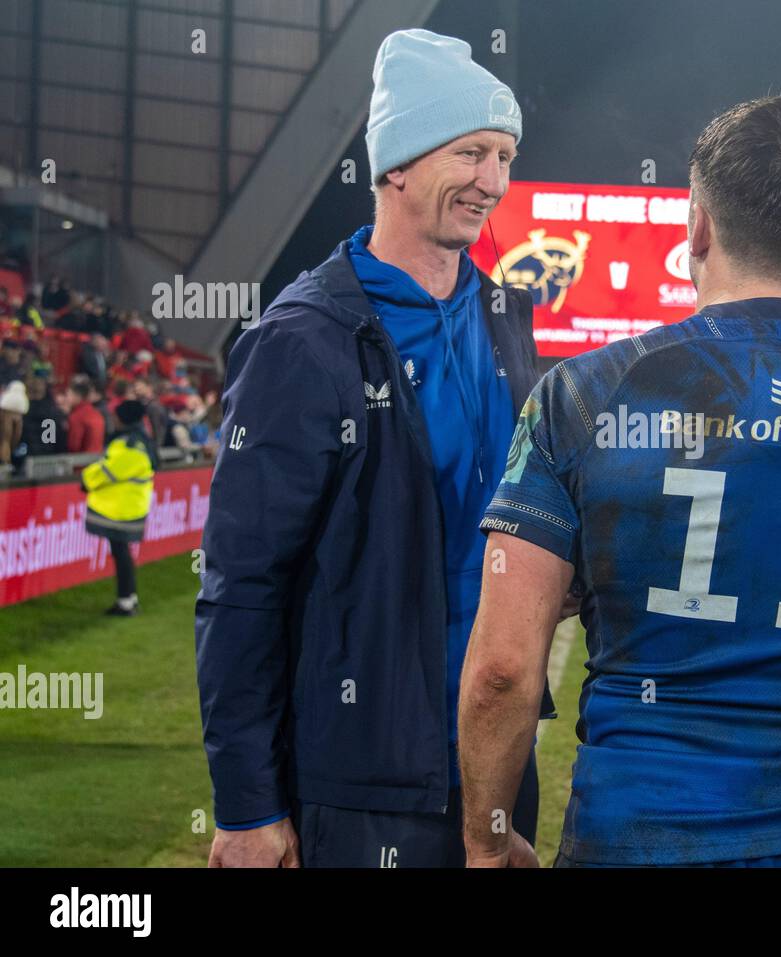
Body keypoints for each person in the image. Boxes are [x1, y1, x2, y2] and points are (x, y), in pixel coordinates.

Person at [459, 96, 781, 868]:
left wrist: (487, 843)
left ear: (696, 225)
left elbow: (503, 670)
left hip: (634, 837)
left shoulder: (585, 392)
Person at [197, 28, 551, 868]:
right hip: (365, 782)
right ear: (396, 163)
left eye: (504, 155)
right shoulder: (302, 340)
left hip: (499, 759)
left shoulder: (505, 318)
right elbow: (241, 585)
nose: (493, 182)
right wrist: (248, 804)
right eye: (471, 152)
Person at [81, 399, 157, 616]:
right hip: (130, 506)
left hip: (120, 509)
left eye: (115, 416)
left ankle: (126, 602)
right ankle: (129, 598)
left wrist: (85, 479)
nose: (112, 419)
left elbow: (108, 470)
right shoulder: (141, 440)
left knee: (121, 553)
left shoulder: (128, 445)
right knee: (122, 553)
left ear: (123, 418)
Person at [67, 375, 107, 454]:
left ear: (77, 396)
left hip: (80, 462)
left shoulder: (77, 416)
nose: (67, 398)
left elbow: (73, 446)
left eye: (69, 395)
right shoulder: (96, 413)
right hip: (96, 460)